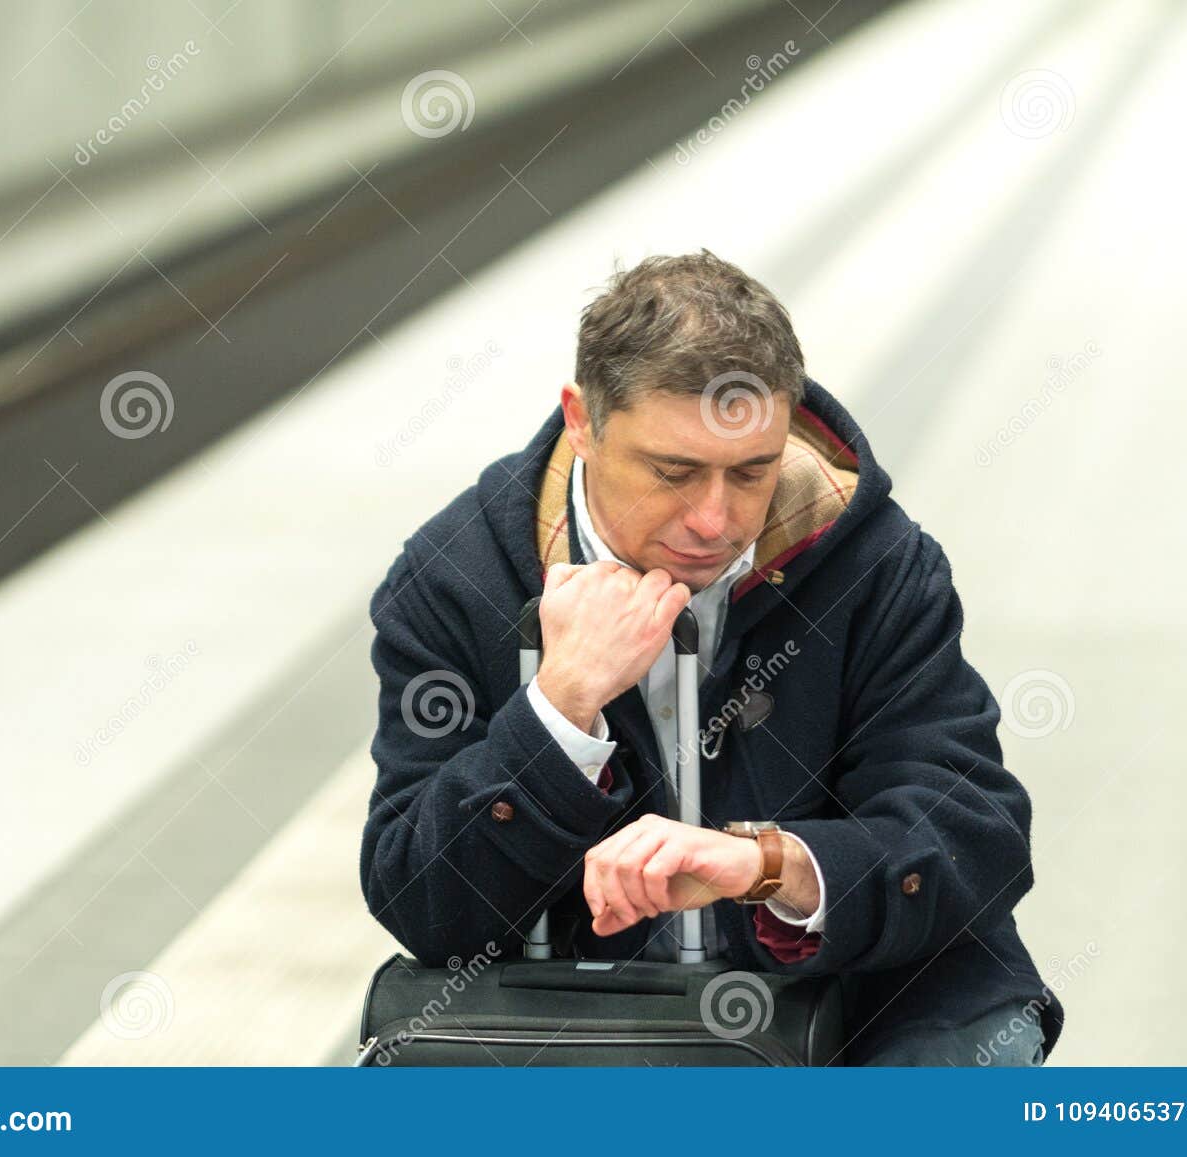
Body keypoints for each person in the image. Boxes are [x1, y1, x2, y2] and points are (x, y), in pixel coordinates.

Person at [360, 250, 1061, 1065]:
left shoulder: (875, 563)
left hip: (862, 1005)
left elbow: (973, 837)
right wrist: (557, 711)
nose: (714, 519)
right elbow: (422, 903)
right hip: (570, 1026)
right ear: (582, 420)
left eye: (752, 471)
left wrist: (770, 866)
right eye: (674, 471)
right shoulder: (456, 578)